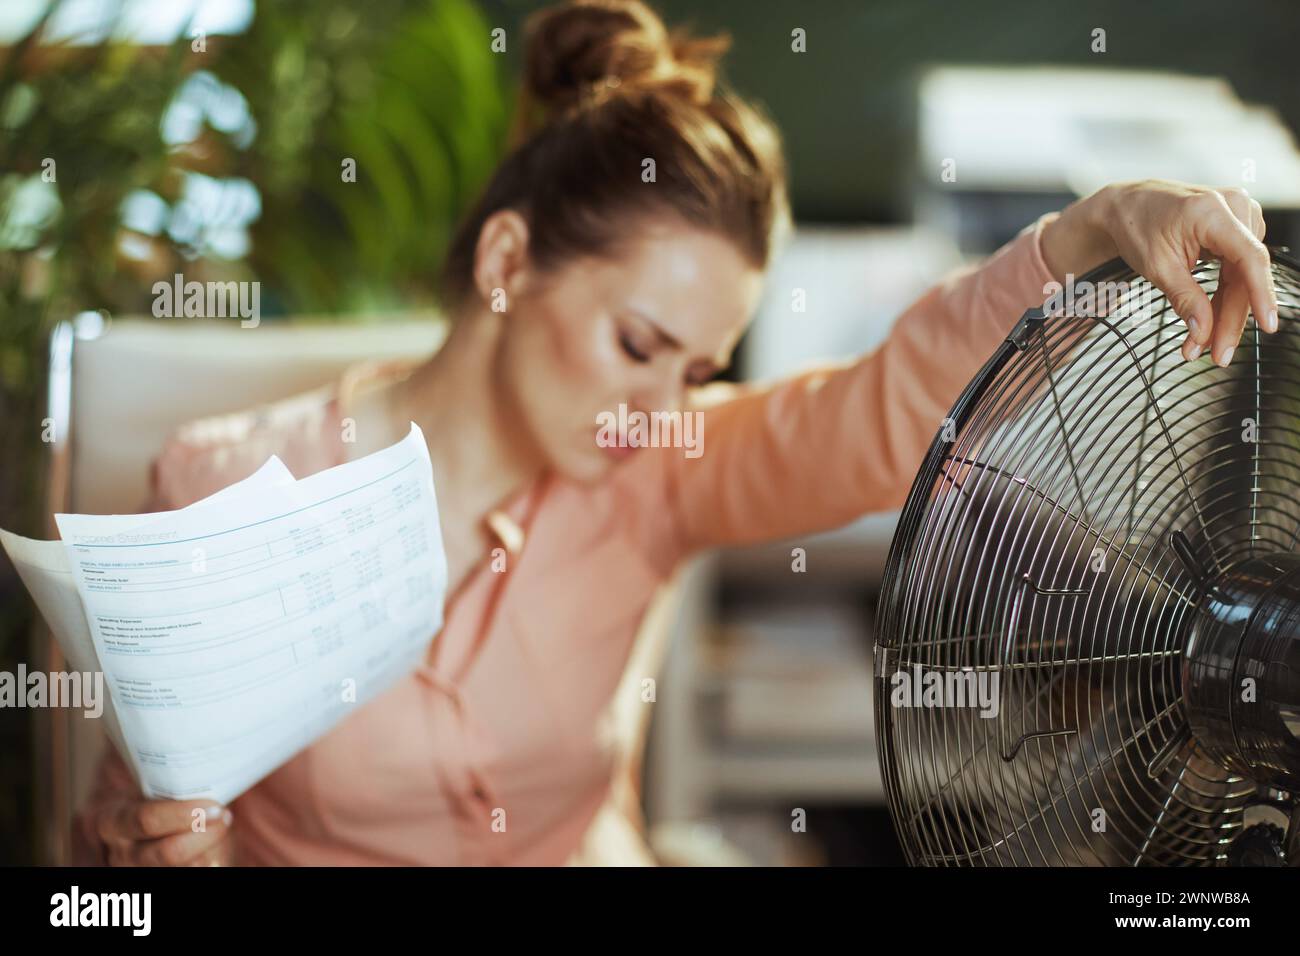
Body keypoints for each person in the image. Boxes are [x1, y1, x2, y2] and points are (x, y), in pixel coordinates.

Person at [74, 0, 1278, 866]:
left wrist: (1086, 235)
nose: (663, 409)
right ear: (506, 264)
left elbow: (869, 413)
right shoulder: (215, 489)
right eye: (638, 345)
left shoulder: (655, 477)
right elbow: (114, 848)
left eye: (697, 370)